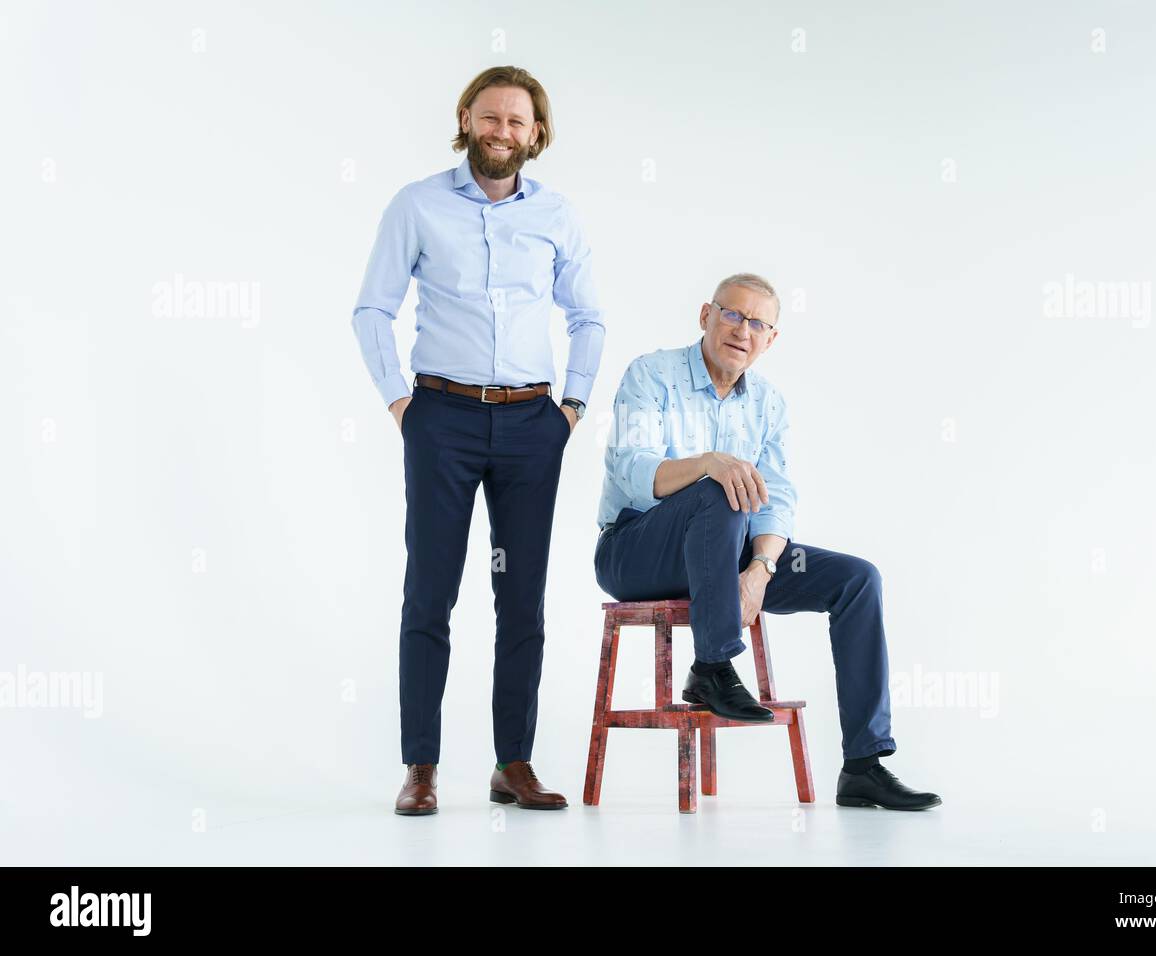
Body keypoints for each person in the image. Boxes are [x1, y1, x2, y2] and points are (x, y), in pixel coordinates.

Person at [351, 66, 604, 815]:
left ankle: (512, 762)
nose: (501, 131)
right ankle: (421, 767)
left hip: (533, 425)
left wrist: (572, 408)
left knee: (520, 597)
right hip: (442, 418)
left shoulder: (557, 216)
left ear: (535, 134)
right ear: (466, 119)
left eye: (516, 122)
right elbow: (372, 309)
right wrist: (402, 403)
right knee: (430, 591)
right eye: (489, 118)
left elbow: (588, 316)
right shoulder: (418, 205)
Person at [593, 273, 940, 810]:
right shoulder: (652, 374)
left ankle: (864, 765)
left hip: (725, 556)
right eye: (733, 315)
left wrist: (760, 570)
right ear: (706, 315)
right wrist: (710, 464)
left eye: (759, 323)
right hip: (636, 549)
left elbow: (775, 498)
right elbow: (634, 471)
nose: (743, 330)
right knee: (721, 488)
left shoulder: (769, 404)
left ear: (771, 339)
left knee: (857, 579)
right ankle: (712, 667)